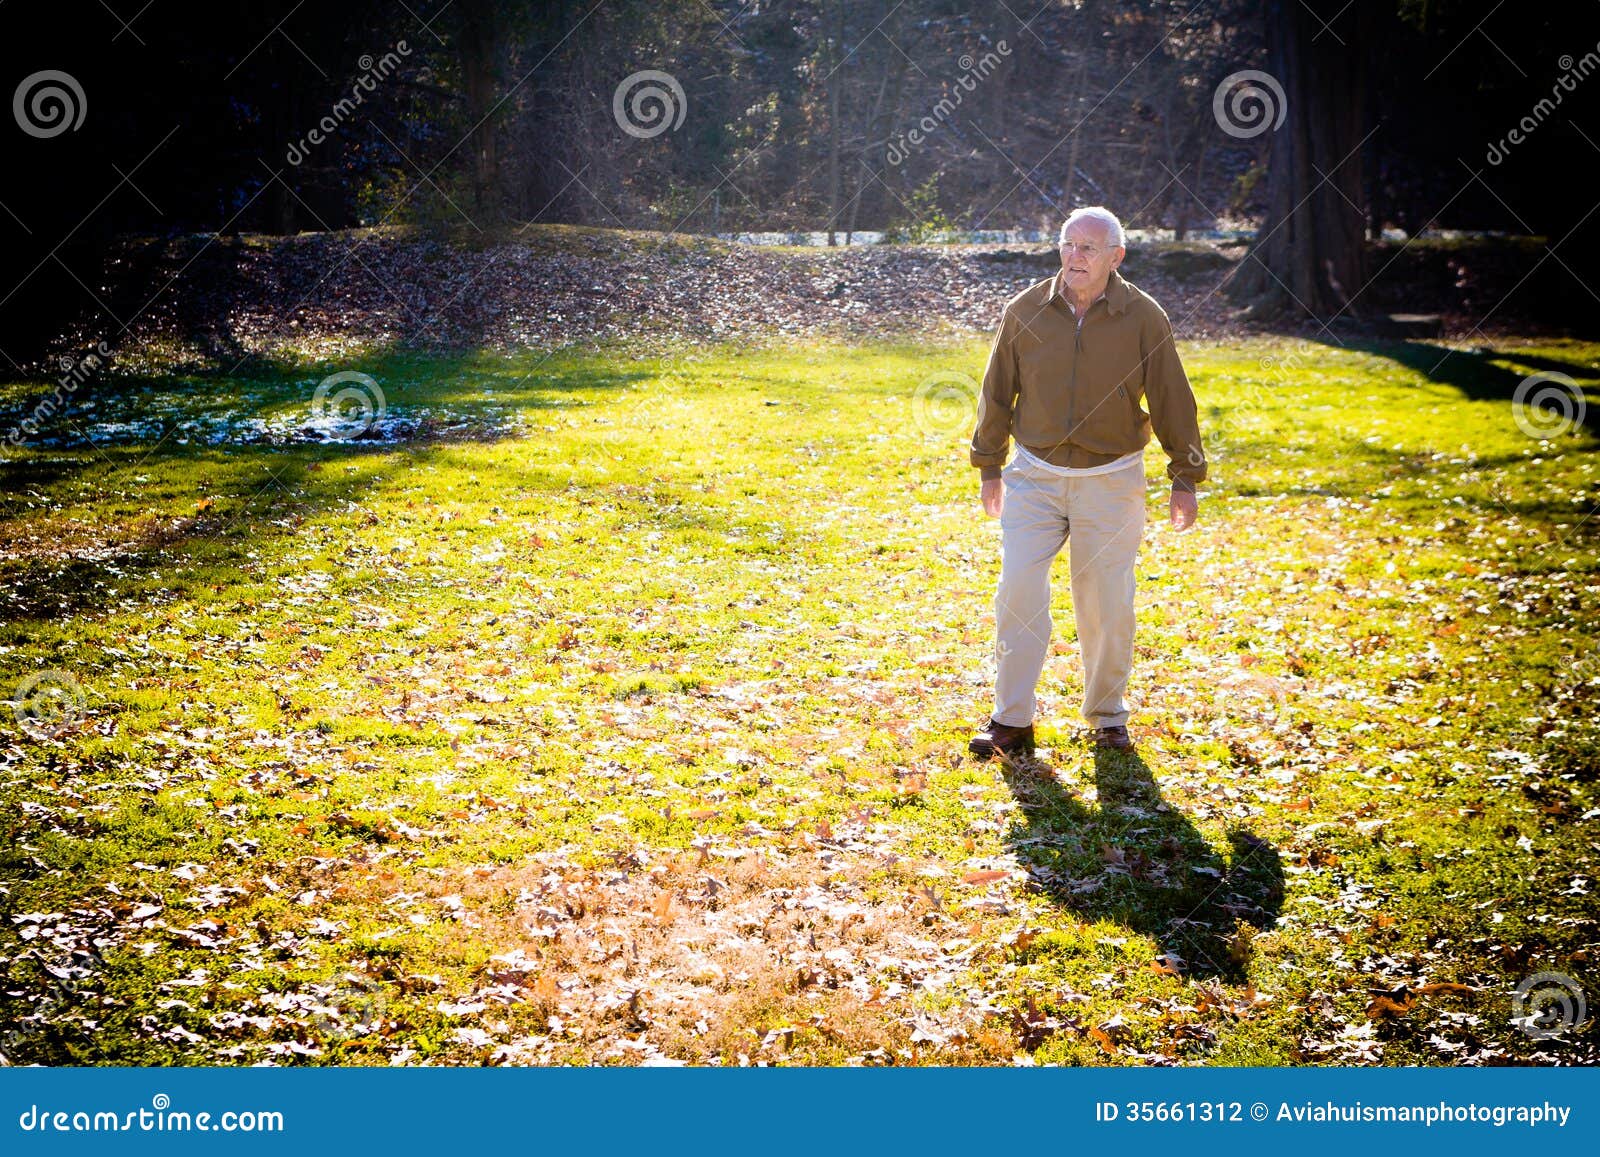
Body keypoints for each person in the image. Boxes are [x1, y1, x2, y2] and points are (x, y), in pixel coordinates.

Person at [967, 206, 1206, 757]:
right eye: (1069, 245)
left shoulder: (1144, 317)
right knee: (1018, 592)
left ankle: (1106, 718)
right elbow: (996, 391)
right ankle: (1012, 721)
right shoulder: (1024, 310)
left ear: (1116, 258)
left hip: (1111, 477)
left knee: (1105, 602)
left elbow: (1173, 397)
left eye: (1089, 248)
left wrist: (1185, 476)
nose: (1075, 256)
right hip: (1035, 474)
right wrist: (989, 464)